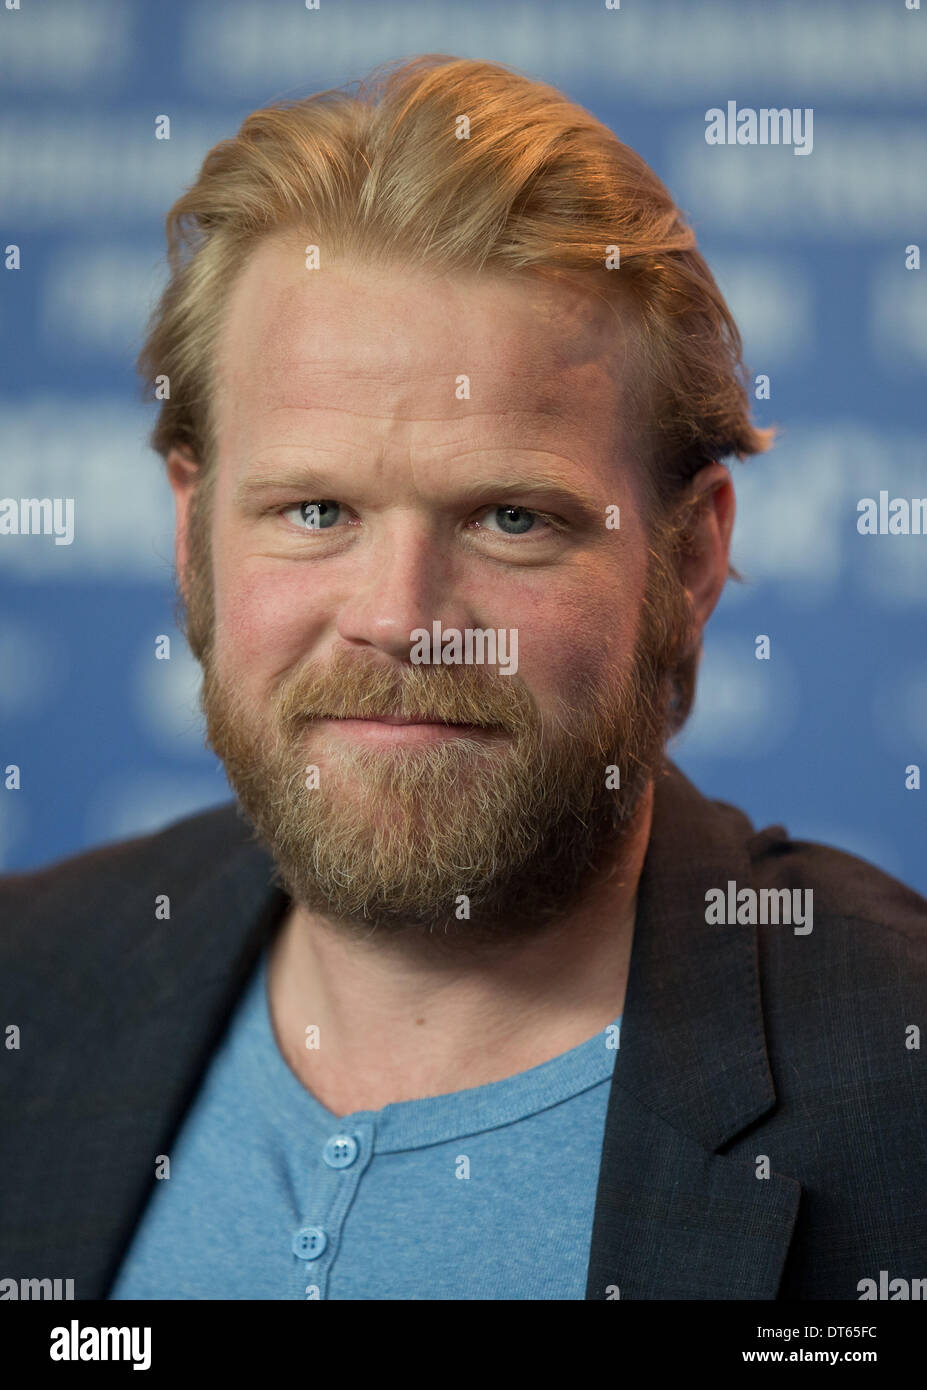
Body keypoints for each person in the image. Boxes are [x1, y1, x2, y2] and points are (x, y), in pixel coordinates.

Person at [2, 55, 925, 1303]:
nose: (399, 621)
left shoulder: (898, 1092)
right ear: (192, 533)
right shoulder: (29, 979)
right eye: (315, 508)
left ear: (693, 556)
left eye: (511, 518)